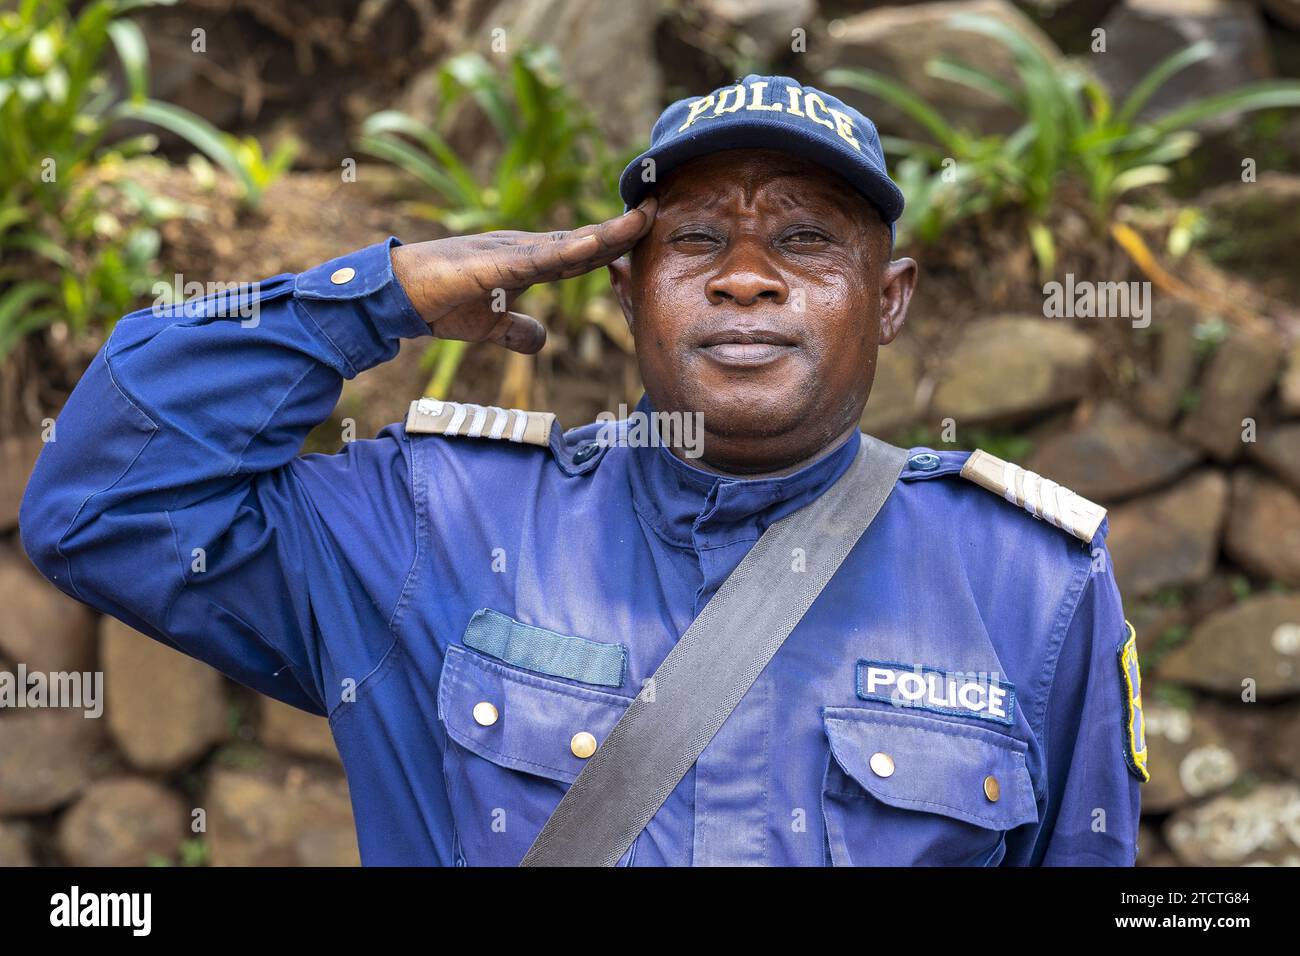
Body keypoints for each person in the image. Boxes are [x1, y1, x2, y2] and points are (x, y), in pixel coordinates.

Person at [20, 75, 1145, 866]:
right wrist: (380, 294)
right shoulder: (437, 518)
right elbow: (103, 501)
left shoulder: (1031, 586)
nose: (745, 277)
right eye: (696, 239)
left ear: (887, 298)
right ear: (622, 288)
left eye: (804, 238)